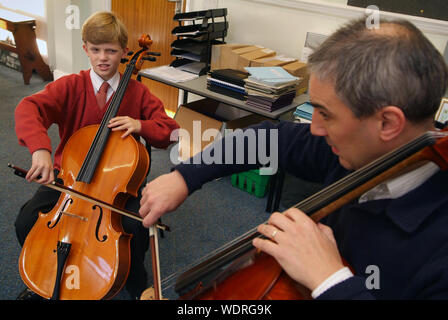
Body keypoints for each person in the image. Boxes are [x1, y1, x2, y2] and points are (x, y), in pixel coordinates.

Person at [138, 17, 448, 299]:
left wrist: (331, 280)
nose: (314, 127)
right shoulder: (356, 149)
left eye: (326, 114)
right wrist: (185, 176)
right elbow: (269, 139)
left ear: (388, 124)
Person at [14, 11, 179, 300]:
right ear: (85, 49)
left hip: (118, 185)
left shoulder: (137, 93)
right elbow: (29, 108)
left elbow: (172, 131)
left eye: (111, 51)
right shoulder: (71, 85)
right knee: (26, 220)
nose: (103, 57)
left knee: (136, 229)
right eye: (96, 50)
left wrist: (142, 125)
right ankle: (45, 270)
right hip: (70, 180)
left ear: (125, 52)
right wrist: (40, 148)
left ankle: (134, 279)